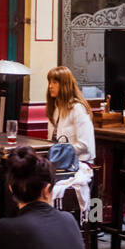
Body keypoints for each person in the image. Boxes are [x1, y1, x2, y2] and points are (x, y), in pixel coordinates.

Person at [46, 66, 95, 214]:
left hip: (79, 164)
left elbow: (85, 145)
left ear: (65, 85)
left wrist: (59, 152)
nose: (50, 86)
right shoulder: (55, 108)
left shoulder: (77, 109)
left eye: (55, 82)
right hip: (60, 165)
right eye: (49, 82)